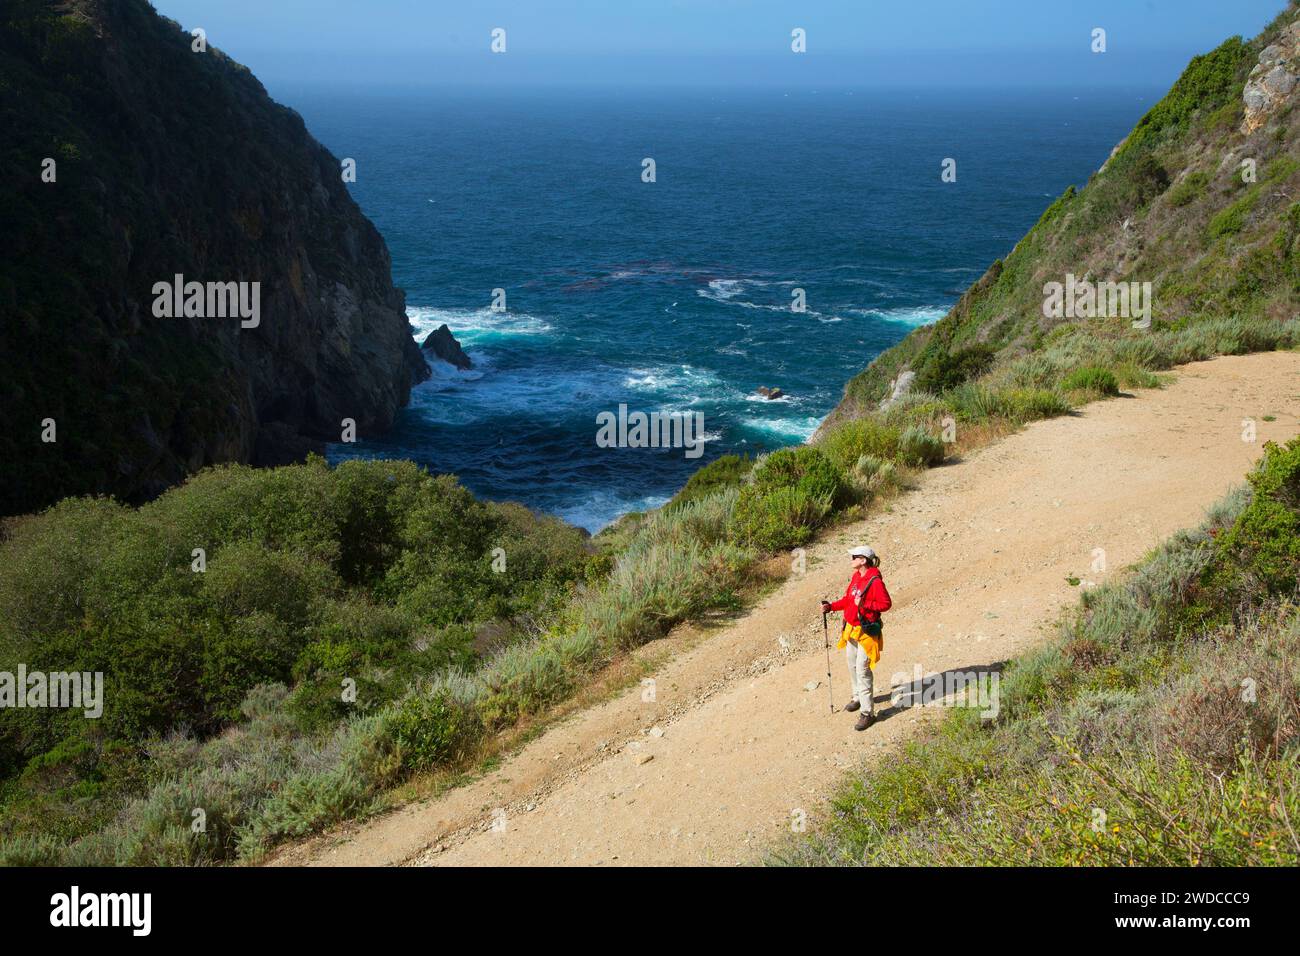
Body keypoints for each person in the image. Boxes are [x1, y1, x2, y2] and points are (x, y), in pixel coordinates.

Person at [821, 546, 892, 731]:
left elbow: (886, 604)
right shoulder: (856, 577)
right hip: (851, 629)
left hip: (866, 632)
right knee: (852, 665)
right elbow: (848, 600)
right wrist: (832, 607)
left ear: (863, 560)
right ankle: (858, 697)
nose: (851, 559)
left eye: (854, 557)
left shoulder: (874, 580)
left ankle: (868, 713)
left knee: (862, 670)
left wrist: (865, 604)